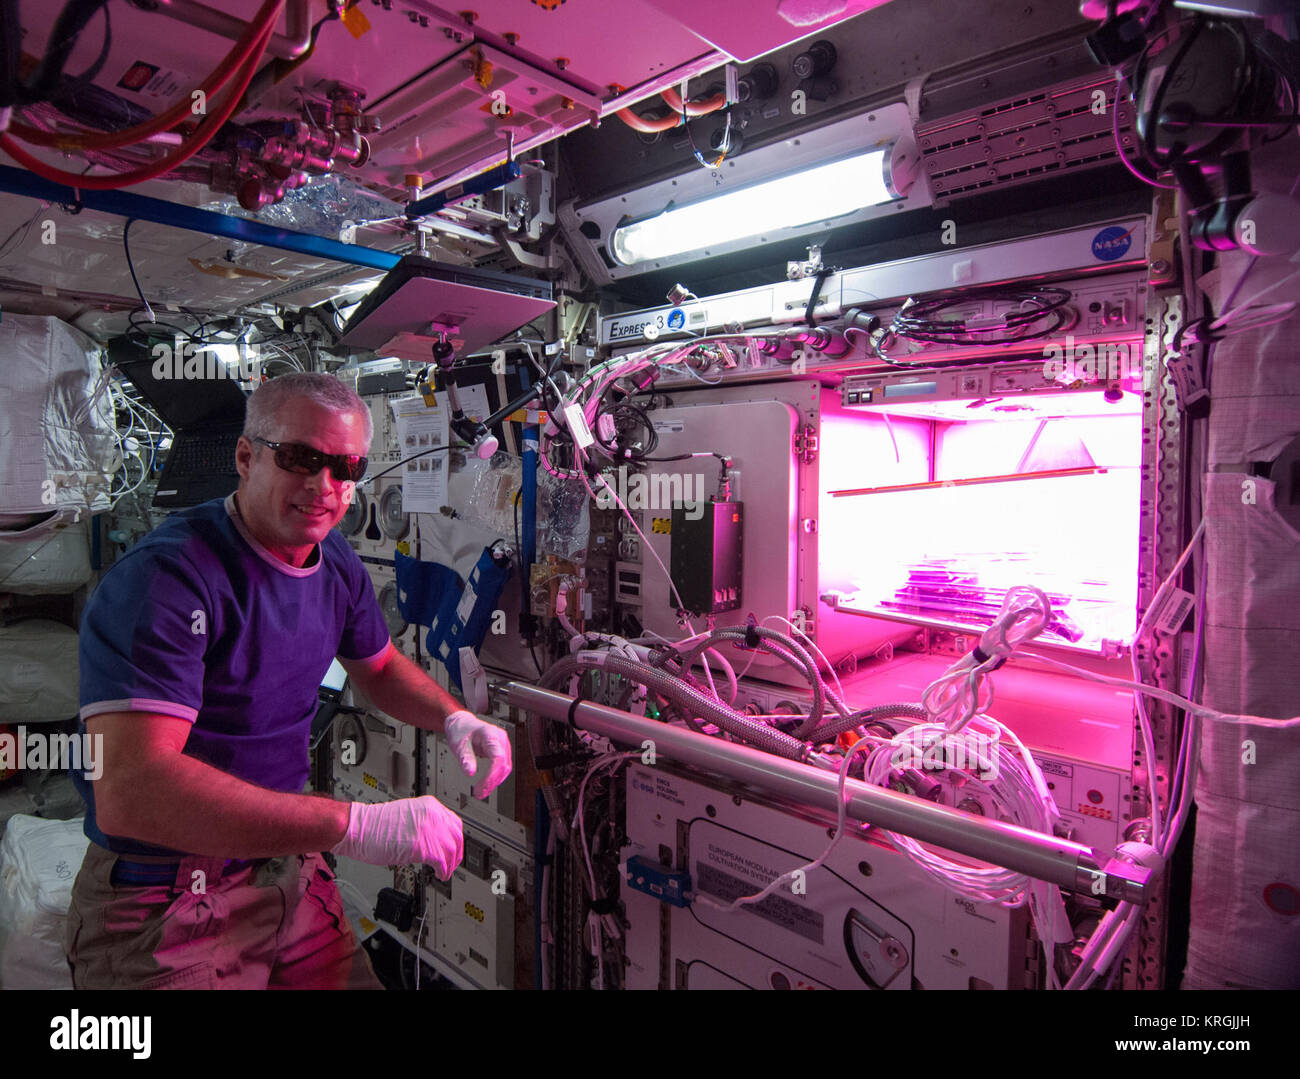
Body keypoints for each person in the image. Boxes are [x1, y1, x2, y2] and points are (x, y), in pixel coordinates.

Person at [65, 372, 511, 989]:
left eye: (344, 467)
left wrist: (455, 716)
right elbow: (133, 789)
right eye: (301, 459)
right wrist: (353, 825)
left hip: (286, 875)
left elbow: (378, 666)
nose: (322, 487)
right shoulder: (167, 579)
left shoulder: (336, 565)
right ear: (246, 457)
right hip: (165, 898)